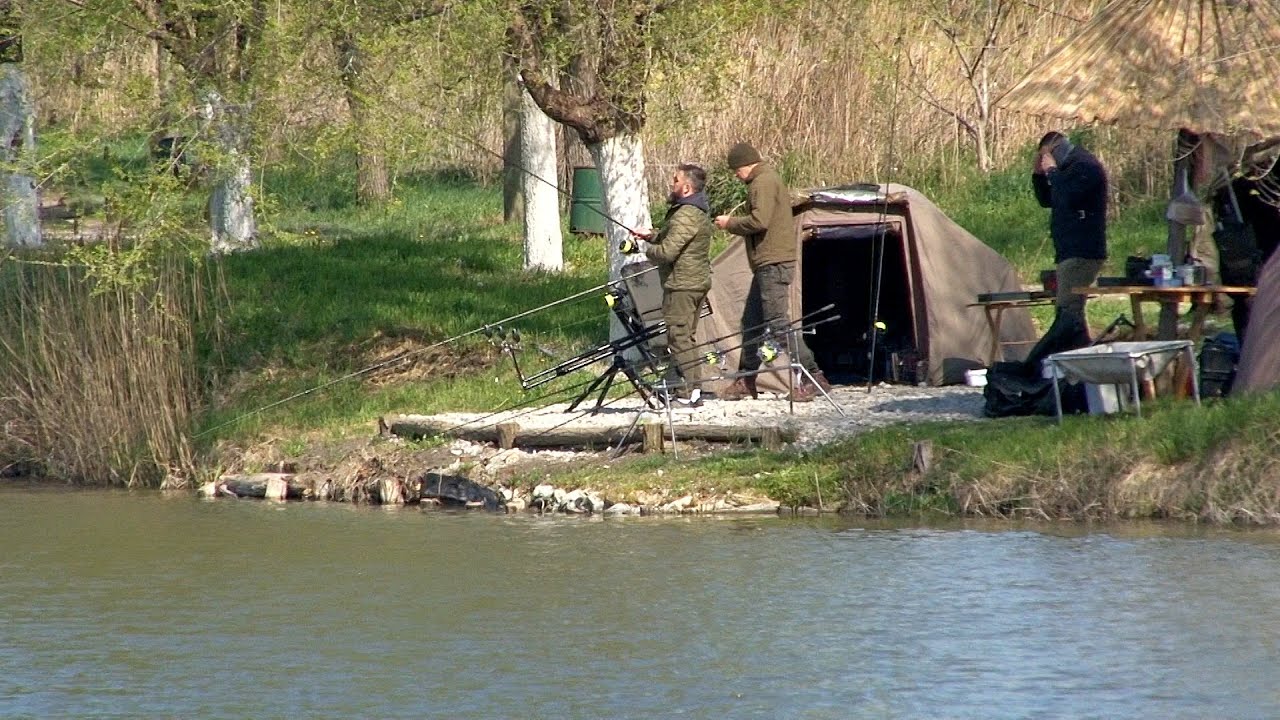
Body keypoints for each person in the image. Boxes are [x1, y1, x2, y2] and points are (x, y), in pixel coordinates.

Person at [712, 142, 829, 401]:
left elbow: (759, 221)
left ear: (745, 165)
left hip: (773, 263)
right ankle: (747, 379)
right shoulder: (765, 180)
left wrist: (730, 223)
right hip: (767, 263)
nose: (735, 175)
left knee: (778, 325)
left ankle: (813, 376)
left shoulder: (762, 183)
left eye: (736, 170)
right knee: (751, 321)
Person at [626, 164, 713, 407]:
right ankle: (694, 389)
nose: (671, 184)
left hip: (683, 285)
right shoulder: (691, 212)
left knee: (678, 338)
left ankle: (686, 393)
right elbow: (674, 238)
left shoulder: (685, 214)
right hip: (693, 282)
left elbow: (667, 253)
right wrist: (651, 235)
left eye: (675, 180)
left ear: (686, 187)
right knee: (687, 337)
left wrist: (644, 248)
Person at [1032, 131, 1108, 330]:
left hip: (1082, 252)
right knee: (1071, 311)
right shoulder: (1067, 169)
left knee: (1067, 310)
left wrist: (1052, 172)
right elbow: (1048, 200)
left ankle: (1072, 352)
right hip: (1068, 252)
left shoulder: (1084, 166)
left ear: (1055, 149)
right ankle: (1079, 352)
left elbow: (1069, 196)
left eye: (1046, 156)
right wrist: (1038, 175)